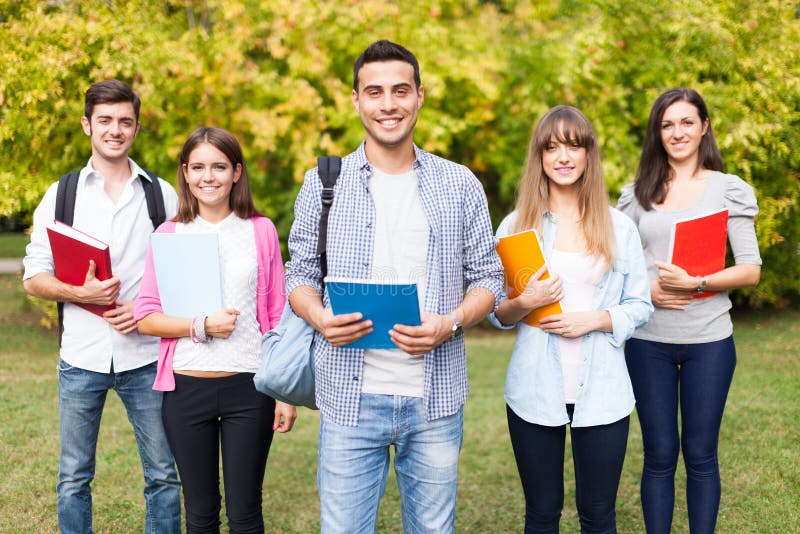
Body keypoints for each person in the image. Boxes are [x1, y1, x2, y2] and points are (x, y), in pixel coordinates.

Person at [284, 40, 504, 533]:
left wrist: (450, 322)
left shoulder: (459, 183)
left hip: (435, 398)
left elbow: (490, 277)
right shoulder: (322, 183)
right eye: (375, 92)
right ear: (357, 100)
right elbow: (298, 275)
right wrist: (320, 318)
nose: (389, 104)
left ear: (420, 96)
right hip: (348, 396)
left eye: (400, 91)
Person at [22, 79, 182, 533]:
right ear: (87, 125)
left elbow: (181, 277)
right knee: (73, 477)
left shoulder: (162, 195)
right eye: (106, 120)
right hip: (81, 356)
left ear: (135, 127)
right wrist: (80, 295)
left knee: (163, 476)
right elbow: (34, 276)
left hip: (147, 358)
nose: (116, 129)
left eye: (125, 121)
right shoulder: (62, 195)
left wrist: (146, 310)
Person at [489, 105, 652, 533]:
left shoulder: (619, 228)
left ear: (588, 155)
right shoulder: (514, 226)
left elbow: (641, 304)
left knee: (598, 514)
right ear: (540, 157)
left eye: (573, 146)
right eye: (552, 146)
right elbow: (498, 313)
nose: (563, 157)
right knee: (542, 513)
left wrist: (594, 319)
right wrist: (527, 300)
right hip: (534, 389)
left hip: (603, 391)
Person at [134, 126, 296, 533]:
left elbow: (277, 313)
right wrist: (200, 326)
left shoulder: (260, 231)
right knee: (200, 515)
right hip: (186, 390)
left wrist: (284, 391)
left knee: (245, 514)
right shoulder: (168, 235)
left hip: (251, 389)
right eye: (199, 167)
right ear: (185, 174)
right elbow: (146, 315)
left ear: (236, 172)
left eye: (219, 166)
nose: (209, 176)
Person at [617, 88, 761, 533]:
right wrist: (650, 289)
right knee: (659, 454)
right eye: (667, 124)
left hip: (709, 341)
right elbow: (618, 266)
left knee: (700, 455)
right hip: (647, 343)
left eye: (686, 122)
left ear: (704, 127)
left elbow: (750, 269)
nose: (677, 132)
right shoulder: (635, 194)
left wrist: (697, 282)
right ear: (657, 133)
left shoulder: (728, 189)